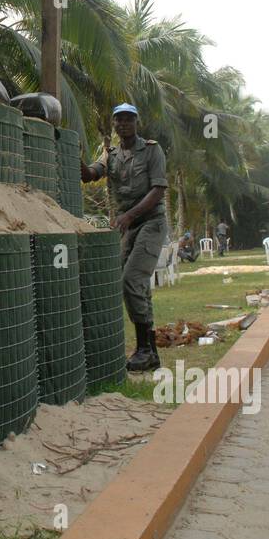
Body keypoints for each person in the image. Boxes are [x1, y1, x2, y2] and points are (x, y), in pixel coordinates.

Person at [81, 103, 168, 372]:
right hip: (128, 228)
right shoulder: (111, 155)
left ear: (137, 122)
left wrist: (128, 216)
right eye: (119, 119)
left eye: (129, 119)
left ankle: (144, 348)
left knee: (131, 280)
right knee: (132, 283)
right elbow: (89, 175)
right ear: (114, 124)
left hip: (151, 222)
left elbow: (158, 190)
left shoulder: (152, 150)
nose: (124, 124)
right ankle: (149, 351)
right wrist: (75, 157)